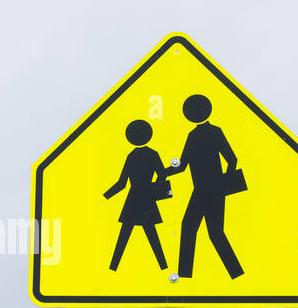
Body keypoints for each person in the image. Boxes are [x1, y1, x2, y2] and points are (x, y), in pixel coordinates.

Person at [164, 94, 244, 279]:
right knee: (207, 231)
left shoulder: (198, 135)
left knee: (200, 230)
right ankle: (232, 273)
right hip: (208, 190)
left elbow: (182, 166)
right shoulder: (207, 133)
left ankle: (232, 273)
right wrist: (224, 183)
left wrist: (163, 172)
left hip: (206, 190)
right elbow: (231, 160)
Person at [103, 119, 171, 271]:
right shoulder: (153, 154)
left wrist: (107, 196)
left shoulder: (131, 156)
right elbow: (162, 175)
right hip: (147, 198)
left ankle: (113, 267)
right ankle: (163, 266)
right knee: (151, 234)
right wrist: (154, 189)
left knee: (125, 235)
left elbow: (122, 183)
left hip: (133, 199)